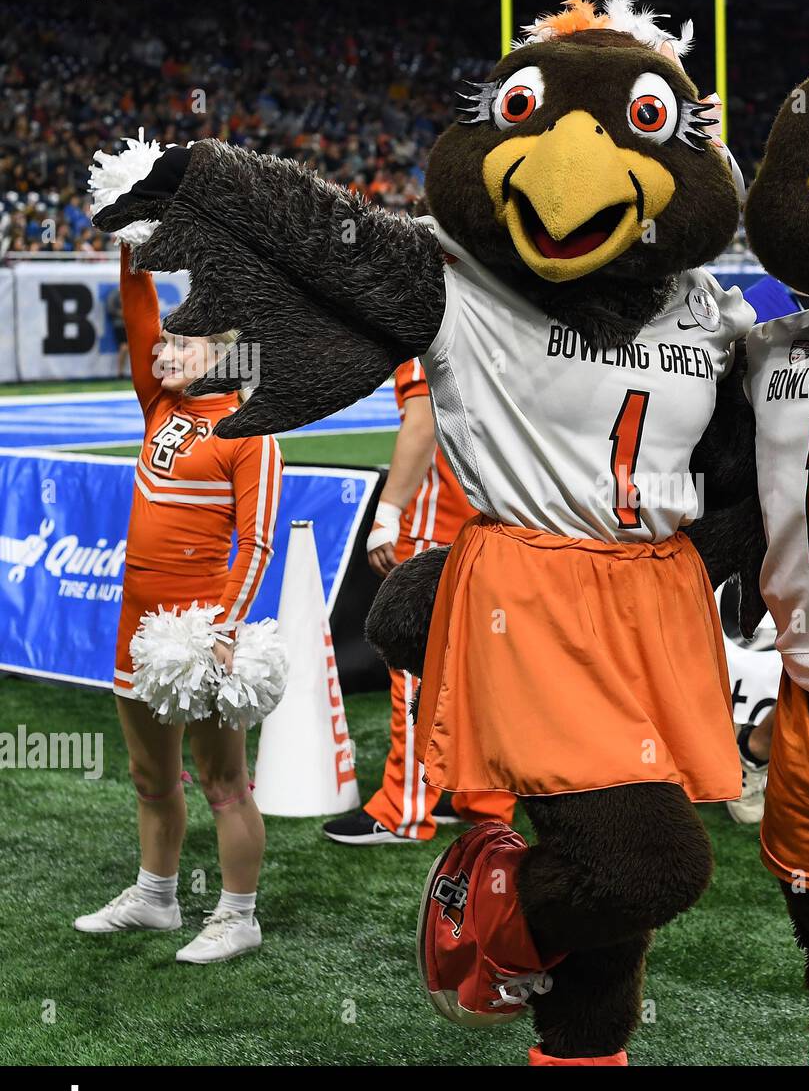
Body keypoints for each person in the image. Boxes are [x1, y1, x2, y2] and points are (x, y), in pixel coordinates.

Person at [74, 245, 283, 964]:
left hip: (199, 635)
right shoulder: (158, 401)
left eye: (185, 342)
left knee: (224, 781)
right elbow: (138, 308)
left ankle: (238, 915)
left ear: (224, 355)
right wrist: (134, 240)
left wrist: (224, 631)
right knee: (149, 777)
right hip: (138, 630)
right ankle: (156, 898)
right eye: (171, 339)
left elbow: (257, 545)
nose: (168, 348)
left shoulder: (249, 433)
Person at [323, 358, 515, 844]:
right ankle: (484, 795)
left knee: (413, 667)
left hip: (441, 521)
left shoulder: (435, 320)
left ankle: (404, 808)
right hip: (501, 518)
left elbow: (426, 416)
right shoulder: (501, 306)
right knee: (487, 670)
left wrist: (388, 511)